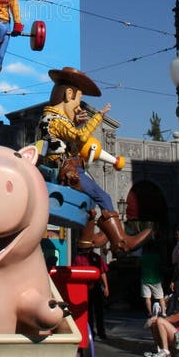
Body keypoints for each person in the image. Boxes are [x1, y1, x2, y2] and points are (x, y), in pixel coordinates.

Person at [37, 66, 150, 255]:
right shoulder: (55, 119)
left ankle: (86, 241)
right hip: (68, 171)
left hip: (64, 167)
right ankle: (121, 242)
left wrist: (76, 121)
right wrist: (99, 116)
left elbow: (67, 139)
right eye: (78, 100)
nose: (79, 107)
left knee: (90, 204)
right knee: (103, 197)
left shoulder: (49, 118)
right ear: (69, 94)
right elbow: (81, 137)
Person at [144, 291, 179, 357]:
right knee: (154, 323)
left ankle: (166, 351)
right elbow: (170, 318)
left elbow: (171, 319)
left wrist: (155, 319)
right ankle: (158, 349)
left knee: (160, 321)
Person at [74, 247, 109, 339]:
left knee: (99, 310)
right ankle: (90, 332)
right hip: (84, 288)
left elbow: (102, 272)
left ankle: (101, 332)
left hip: (96, 286)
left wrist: (106, 286)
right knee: (88, 311)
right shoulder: (78, 258)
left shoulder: (97, 257)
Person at [140, 242, 167, 319]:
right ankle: (163, 312)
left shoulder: (143, 257)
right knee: (161, 297)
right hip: (156, 279)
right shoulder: (156, 257)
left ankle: (150, 313)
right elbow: (161, 265)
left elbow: (137, 264)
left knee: (147, 297)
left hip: (145, 279)